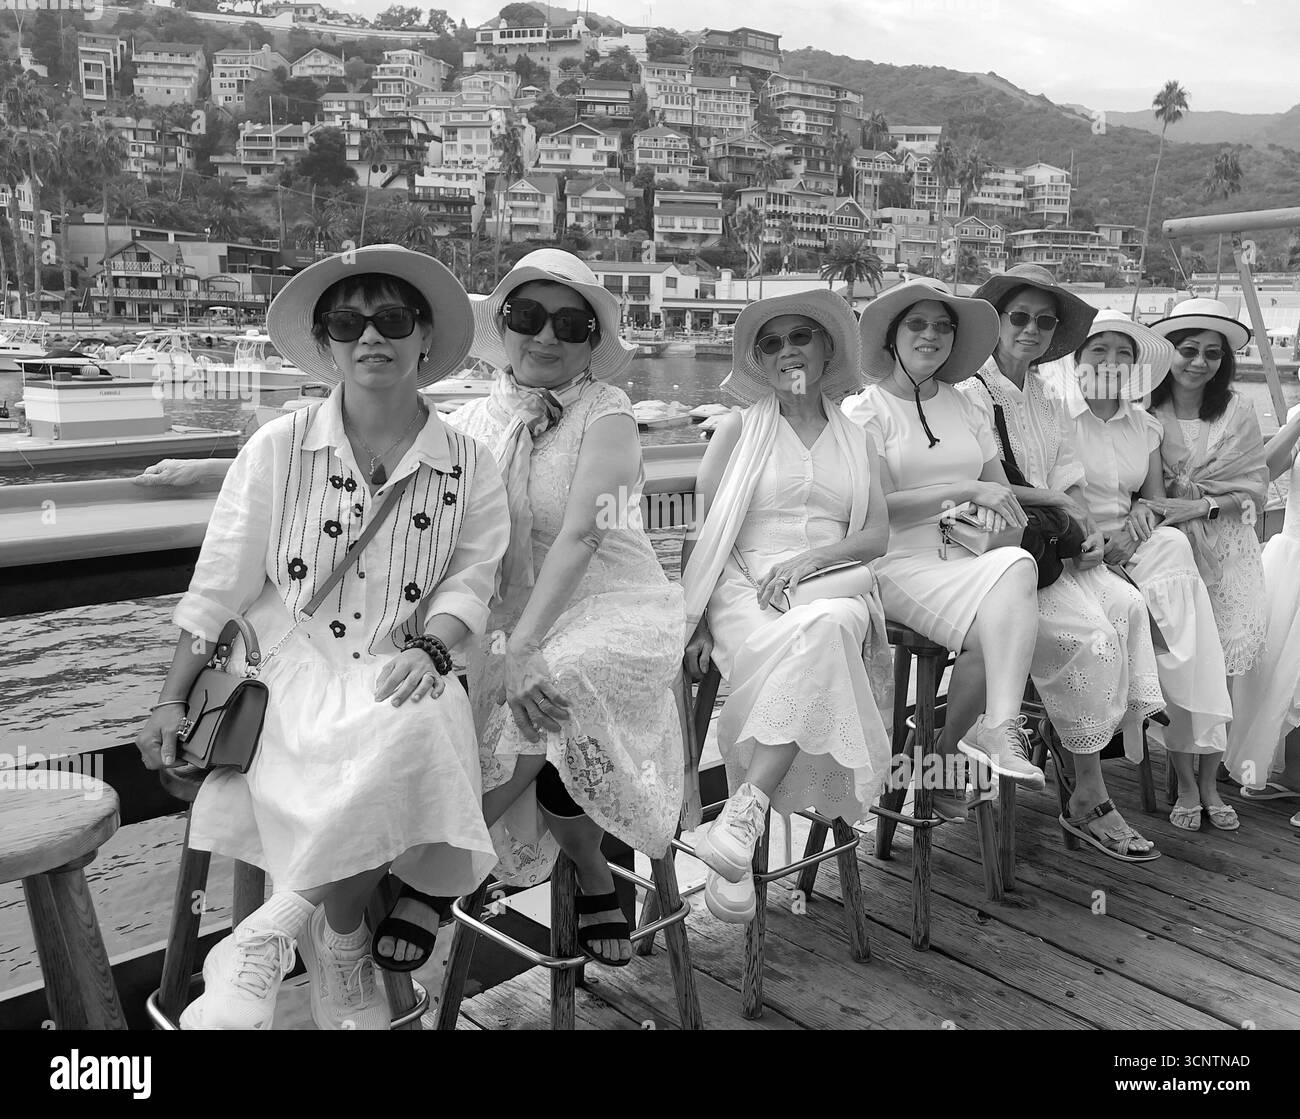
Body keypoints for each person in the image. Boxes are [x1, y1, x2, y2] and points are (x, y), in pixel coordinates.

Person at [134, 245, 510, 1029]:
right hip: (291, 670)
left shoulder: (470, 465)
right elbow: (222, 578)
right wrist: (172, 697)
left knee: (421, 721)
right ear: (329, 340)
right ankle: (338, 940)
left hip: (400, 662)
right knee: (402, 749)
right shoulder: (277, 446)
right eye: (349, 320)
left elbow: (471, 580)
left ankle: (269, 935)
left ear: (424, 337)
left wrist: (431, 647)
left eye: (392, 318)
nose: (371, 336)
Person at [445, 250, 685, 967]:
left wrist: (523, 647)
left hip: (610, 597)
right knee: (433, 686)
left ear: (589, 342)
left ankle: (441, 861)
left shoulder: (606, 413)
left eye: (570, 323)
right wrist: (225, 467)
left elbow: (584, 531)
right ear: (503, 325)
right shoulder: (469, 420)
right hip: (502, 607)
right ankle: (588, 867)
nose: (547, 335)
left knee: (563, 672)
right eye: (528, 316)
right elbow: (378, 468)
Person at [681, 290, 894, 923]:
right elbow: (706, 527)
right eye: (771, 343)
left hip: (835, 584)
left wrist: (808, 562)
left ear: (828, 348)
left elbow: (876, 535)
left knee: (829, 623)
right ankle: (740, 836)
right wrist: (693, 623)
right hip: (746, 589)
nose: (787, 351)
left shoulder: (857, 438)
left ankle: (743, 812)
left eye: (800, 336)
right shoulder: (738, 430)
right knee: (822, 641)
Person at [963, 265, 1164, 862]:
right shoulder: (972, 392)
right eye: (1019, 317)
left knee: (1127, 603)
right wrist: (1064, 513)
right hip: (993, 552)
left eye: (1044, 321)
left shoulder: (1047, 398)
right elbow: (982, 486)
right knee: (1093, 636)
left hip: (1048, 545)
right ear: (996, 322)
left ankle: (1071, 764)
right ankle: (1089, 795)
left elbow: (1068, 482)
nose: (1031, 329)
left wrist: (1088, 535)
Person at [842, 278, 1044, 818]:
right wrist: (963, 491)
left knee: (997, 619)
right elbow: (878, 509)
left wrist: (999, 510)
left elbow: (997, 488)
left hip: (965, 555)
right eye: (917, 324)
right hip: (897, 562)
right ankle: (981, 739)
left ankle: (955, 750)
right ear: (892, 337)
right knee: (1015, 575)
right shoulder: (866, 411)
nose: (930, 335)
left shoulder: (965, 406)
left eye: (942, 326)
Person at [1048, 310, 1236, 832]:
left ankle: (1179, 715)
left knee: (1173, 547)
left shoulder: (1143, 424)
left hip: (1134, 544)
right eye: (1099, 350)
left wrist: (1138, 519)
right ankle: (1166, 715)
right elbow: (1052, 498)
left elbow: (1152, 502)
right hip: (1075, 547)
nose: (1111, 361)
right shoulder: (1056, 417)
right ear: (1078, 360)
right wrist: (1092, 539)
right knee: (1167, 611)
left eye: (1123, 352)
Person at [1147, 298, 1268, 678]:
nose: (1200, 362)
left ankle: (1220, 741)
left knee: (1227, 660)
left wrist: (1203, 507)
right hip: (1170, 549)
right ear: (1169, 353)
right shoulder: (1143, 410)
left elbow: (1255, 488)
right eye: (1189, 350)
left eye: (1212, 354)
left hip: (1229, 550)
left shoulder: (1239, 410)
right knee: (1174, 663)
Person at [1226, 399, 1300, 824]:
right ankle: (1291, 776)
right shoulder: (1295, 418)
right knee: (1276, 672)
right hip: (1291, 556)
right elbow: (1263, 473)